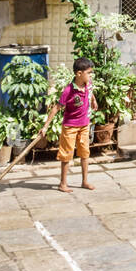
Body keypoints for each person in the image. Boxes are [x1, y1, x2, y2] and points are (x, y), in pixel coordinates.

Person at [39, 58, 97, 192]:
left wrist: (93, 101)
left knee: (85, 153)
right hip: (70, 127)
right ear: (79, 74)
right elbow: (56, 108)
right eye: (88, 73)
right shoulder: (68, 91)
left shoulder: (88, 84)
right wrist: (46, 126)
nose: (90, 75)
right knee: (66, 155)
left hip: (84, 125)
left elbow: (91, 92)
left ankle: (84, 181)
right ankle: (63, 184)